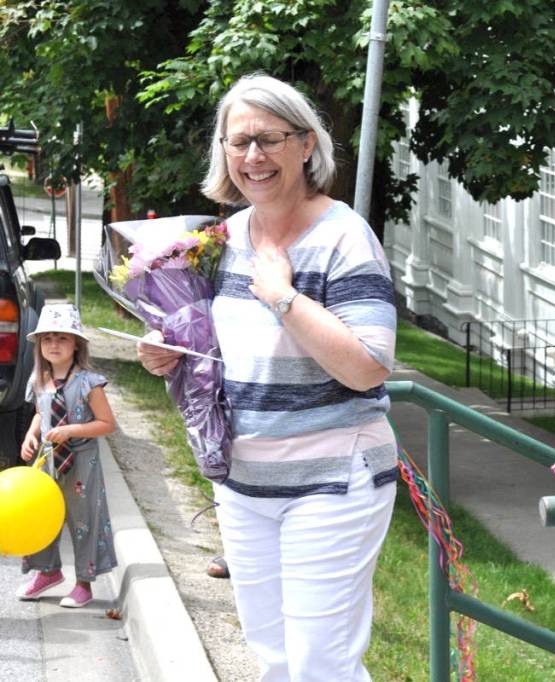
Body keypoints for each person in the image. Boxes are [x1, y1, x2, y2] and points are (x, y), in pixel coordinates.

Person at [137, 73, 398, 681]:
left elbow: (368, 366)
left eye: (269, 139)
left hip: (333, 480)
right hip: (244, 483)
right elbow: (214, 345)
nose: (252, 156)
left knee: (319, 663)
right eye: (238, 142)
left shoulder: (343, 237)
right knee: (272, 655)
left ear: (306, 145)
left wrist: (283, 296)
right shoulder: (220, 240)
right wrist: (169, 349)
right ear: (223, 152)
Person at [16, 303, 118, 608]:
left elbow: (107, 424)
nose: (54, 345)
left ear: (77, 344)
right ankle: (47, 571)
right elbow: (40, 412)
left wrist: (72, 430)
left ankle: (84, 582)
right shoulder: (38, 380)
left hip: (81, 463)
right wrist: (30, 434)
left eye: (62, 338)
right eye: (47, 339)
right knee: (42, 514)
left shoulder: (89, 382)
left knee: (83, 518)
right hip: (48, 460)